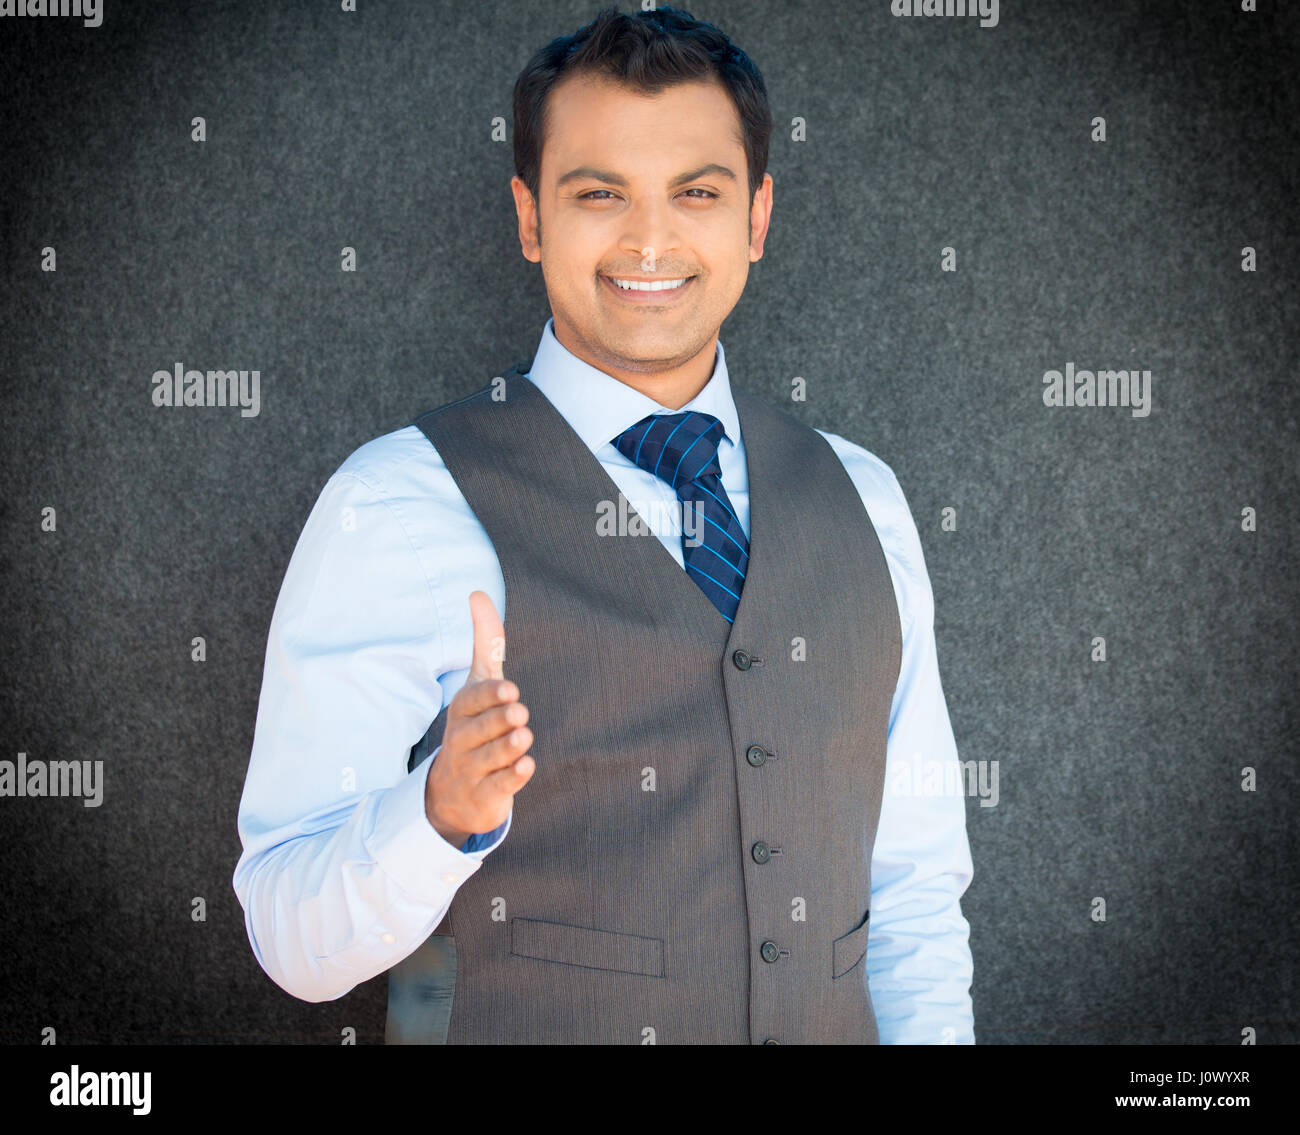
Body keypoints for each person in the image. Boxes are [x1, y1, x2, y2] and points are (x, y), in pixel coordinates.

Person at [233, 4, 974, 1045]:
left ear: (756, 218)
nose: (651, 240)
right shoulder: (397, 503)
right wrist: (438, 815)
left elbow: (910, 897)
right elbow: (288, 937)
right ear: (530, 217)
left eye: (697, 193)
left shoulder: (867, 499)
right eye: (598, 194)